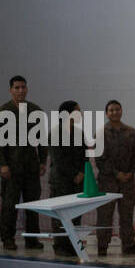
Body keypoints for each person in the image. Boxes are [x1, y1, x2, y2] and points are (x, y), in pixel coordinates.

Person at [0, 76, 47, 252]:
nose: (20, 90)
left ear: (27, 89)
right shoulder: (3, 112)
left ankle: (32, 239)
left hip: (31, 167)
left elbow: (42, 140)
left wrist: (43, 161)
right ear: (10, 90)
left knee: (33, 205)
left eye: (23, 87)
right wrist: (2, 164)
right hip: (11, 168)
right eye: (17, 87)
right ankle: (8, 238)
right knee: (9, 205)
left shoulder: (35, 111)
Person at [95, 100, 135, 257]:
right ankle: (102, 246)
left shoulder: (130, 132)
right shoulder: (100, 133)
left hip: (127, 181)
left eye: (117, 109)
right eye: (111, 110)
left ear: (121, 111)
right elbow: (100, 159)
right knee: (105, 215)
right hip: (107, 181)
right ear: (107, 113)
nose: (115, 112)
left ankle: (129, 245)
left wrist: (130, 172)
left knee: (127, 214)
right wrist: (116, 173)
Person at [49, 100, 86, 256]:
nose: (80, 114)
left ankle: (73, 245)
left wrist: (82, 172)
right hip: (61, 181)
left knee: (76, 213)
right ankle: (61, 246)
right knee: (61, 214)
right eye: (77, 111)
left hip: (78, 181)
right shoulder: (55, 133)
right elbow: (58, 160)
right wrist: (74, 174)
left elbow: (84, 155)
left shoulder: (79, 133)